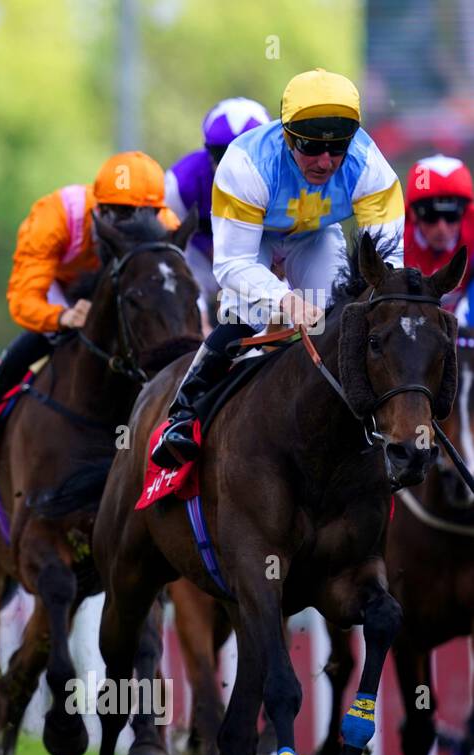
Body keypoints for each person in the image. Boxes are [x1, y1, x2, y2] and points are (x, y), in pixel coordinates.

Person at [153, 68, 405, 469]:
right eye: (311, 147)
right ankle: (184, 413)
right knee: (248, 313)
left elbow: (387, 269)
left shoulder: (370, 167)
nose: (325, 161)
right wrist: (283, 299)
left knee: (345, 317)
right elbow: (232, 265)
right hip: (259, 238)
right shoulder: (245, 164)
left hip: (315, 236)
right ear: (287, 136)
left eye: (337, 146)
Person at [0, 150, 180, 437]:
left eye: (140, 219)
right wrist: (62, 316)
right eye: (119, 216)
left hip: (123, 292)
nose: (128, 231)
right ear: (98, 208)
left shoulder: (169, 225)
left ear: (157, 214)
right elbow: (23, 300)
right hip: (63, 292)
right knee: (44, 338)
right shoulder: (55, 216)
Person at [165, 98, 271, 310]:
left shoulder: (280, 180)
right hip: (198, 261)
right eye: (220, 153)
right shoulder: (179, 183)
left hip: (257, 257)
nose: (230, 163)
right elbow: (172, 246)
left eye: (246, 153)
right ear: (207, 150)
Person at [403, 154, 474, 313]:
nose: (441, 228)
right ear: (413, 214)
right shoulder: (394, 235)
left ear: (464, 213)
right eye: (431, 216)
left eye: (451, 216)